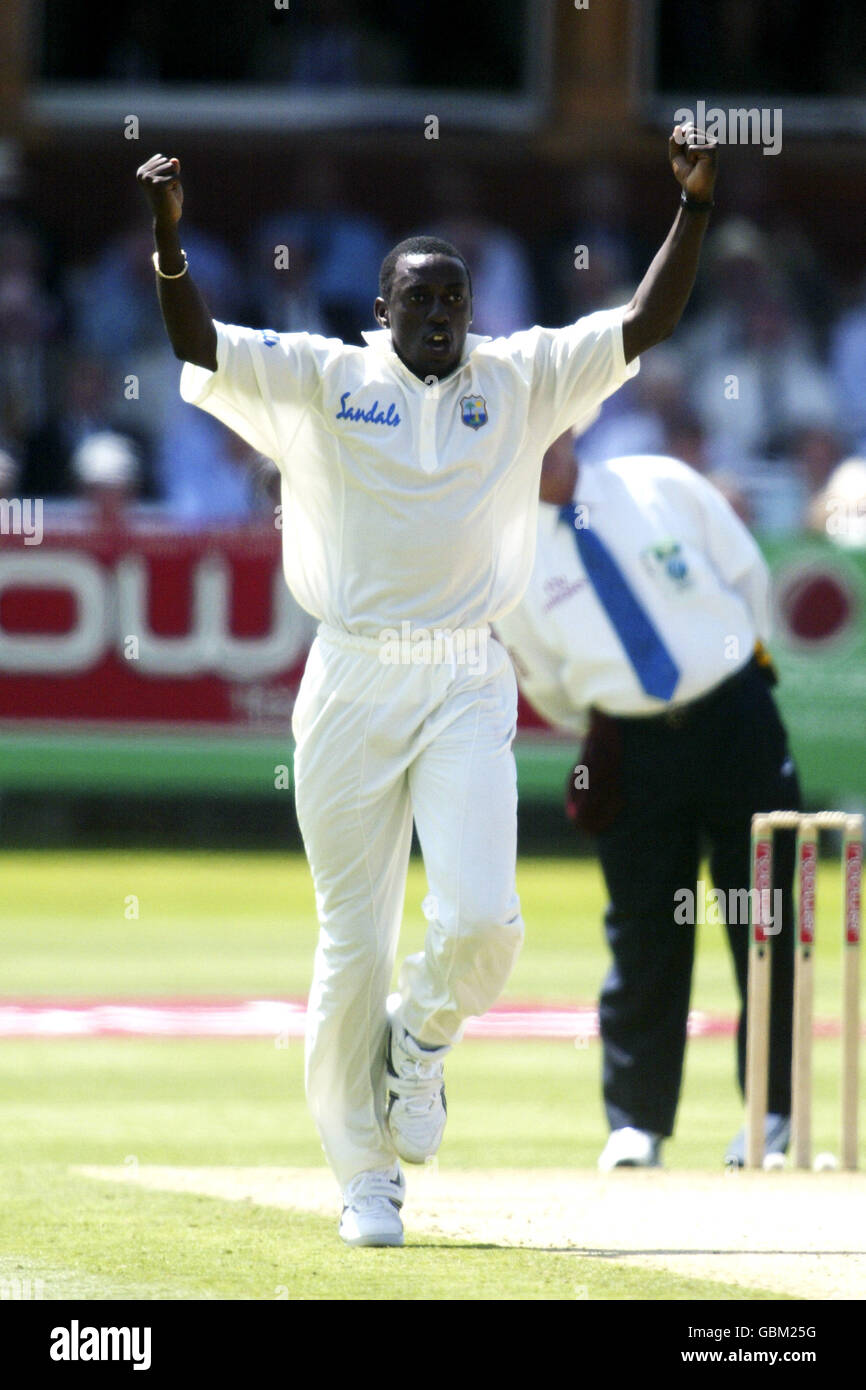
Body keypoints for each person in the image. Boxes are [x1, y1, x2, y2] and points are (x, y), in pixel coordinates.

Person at [136, 128, 718, 1244]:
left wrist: (689, 208)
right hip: (351, 670)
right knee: (348, 943)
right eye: (419, 298)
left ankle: (420, 1042)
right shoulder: (324, 376)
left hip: (463, 669)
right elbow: (200, 345)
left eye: (454, 296)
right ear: (381, 309)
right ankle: (364, 1177)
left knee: (485, 920)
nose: (442, 314)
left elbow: (641, 325)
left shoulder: (520, 377)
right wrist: (169, 244)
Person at [495, 430, 800, 1169]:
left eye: (549, 425)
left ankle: (777, 1118)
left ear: (571, 427)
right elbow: (545, 680)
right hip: (630, 745)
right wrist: (620, 711)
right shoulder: (508, 556)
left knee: (763, 916)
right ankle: (637, 1124)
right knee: (642, 931)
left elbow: (747, 577)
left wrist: (729, 674)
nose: (540, 444)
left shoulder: (657, 483)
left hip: (734, 718)